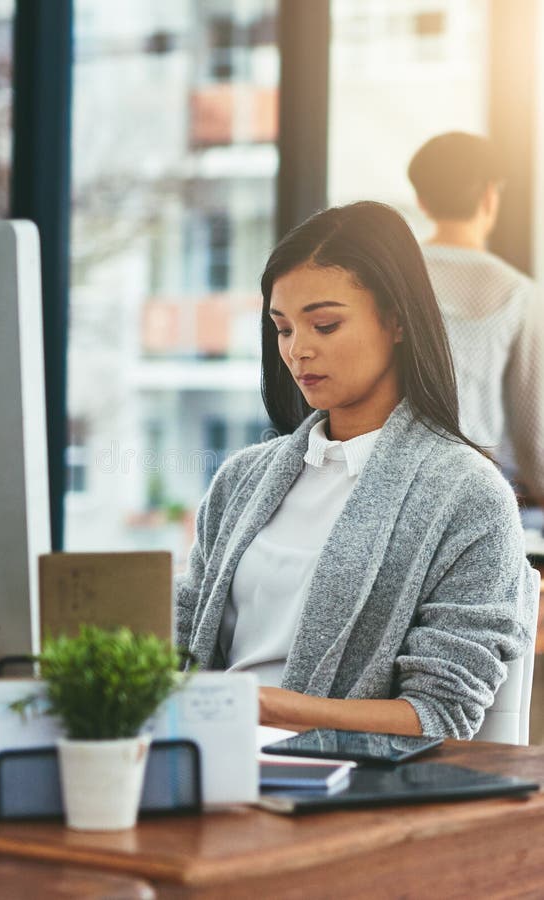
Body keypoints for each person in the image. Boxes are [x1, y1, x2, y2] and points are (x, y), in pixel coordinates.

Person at [175, 201, 537, 740]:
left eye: (325, 324)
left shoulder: (467, 494)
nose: (298, 351)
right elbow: (179, 649)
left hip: (337, 787)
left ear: (396, 320)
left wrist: (263, 709)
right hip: (204, 764)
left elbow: (440, 715)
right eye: (283, 329)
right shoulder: (241, 480)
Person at [408, 131, 544, 507]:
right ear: (489, 195)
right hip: (474, 490)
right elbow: (533, 435)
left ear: (422, 200)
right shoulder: (518, 292)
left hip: (391, 480)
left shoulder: (390, 281)